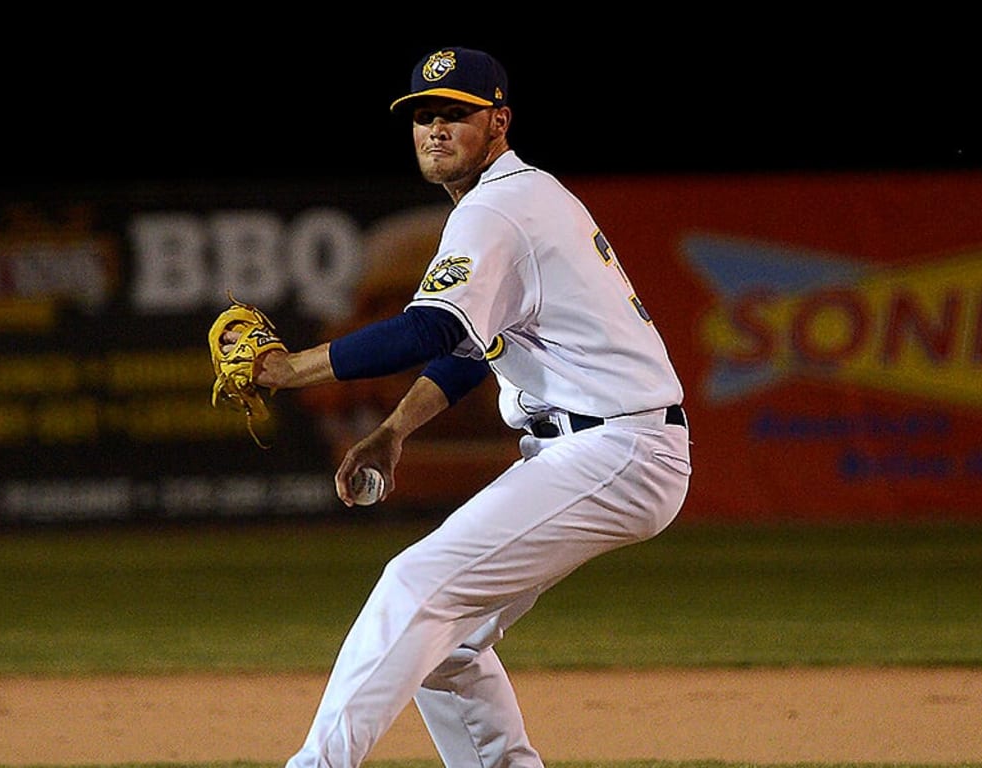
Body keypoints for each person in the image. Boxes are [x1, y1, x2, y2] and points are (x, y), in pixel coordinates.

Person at [228, 46, 694, 768]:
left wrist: (290, 371)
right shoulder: (519, 200)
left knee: (415, 586)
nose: (435, 129)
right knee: (450, 641)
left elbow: (429, 329)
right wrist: (392, 429)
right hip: (605, 447)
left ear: (499, 121)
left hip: (616, 448)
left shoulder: (500, 210)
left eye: (456, 114)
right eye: (423, 116)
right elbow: (471, 345)